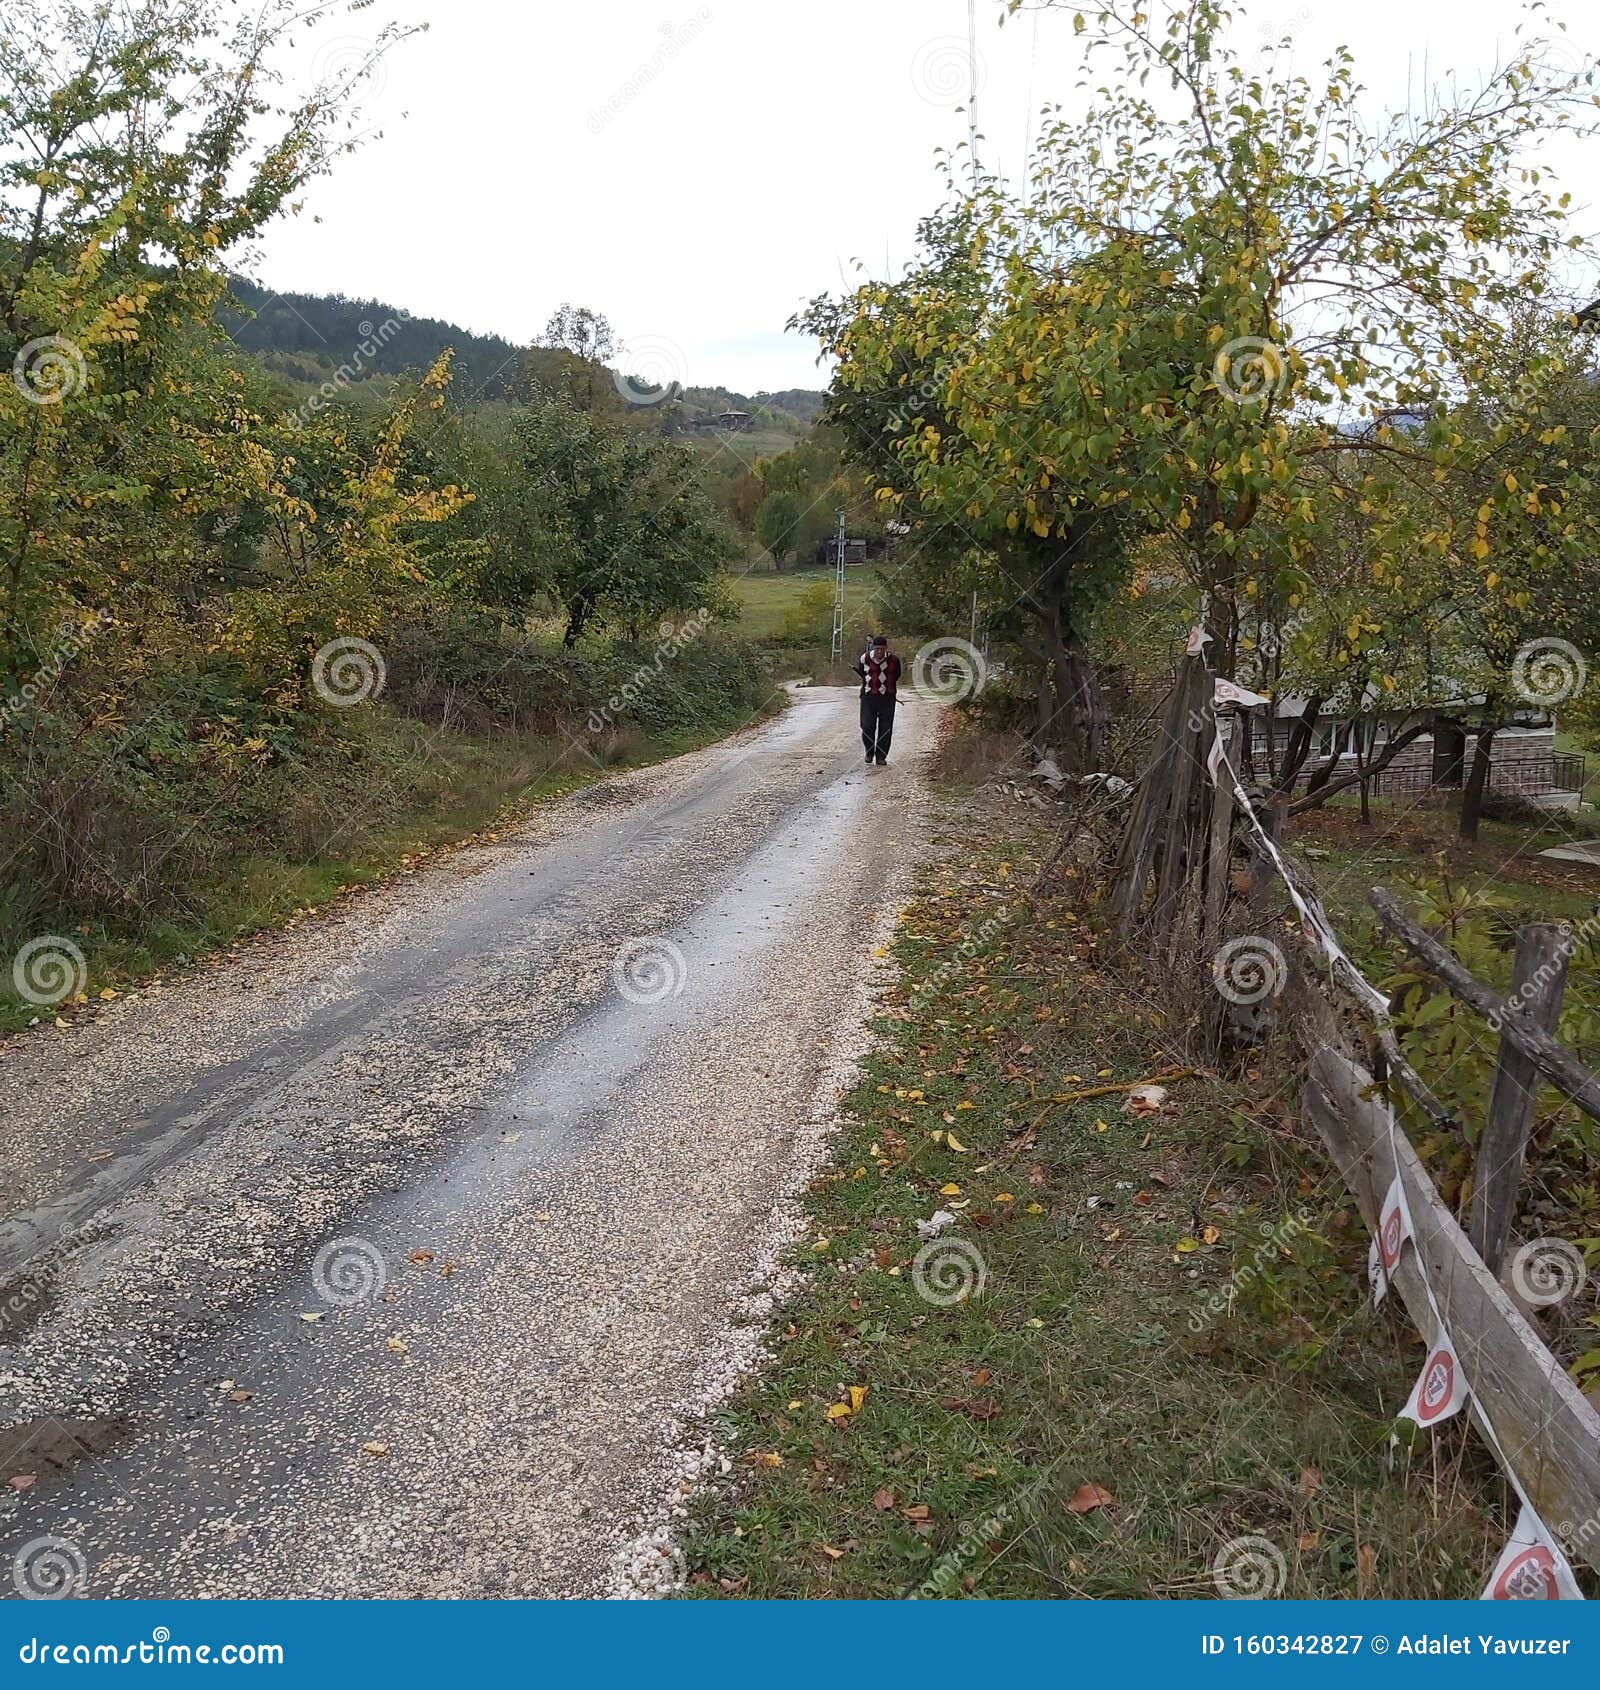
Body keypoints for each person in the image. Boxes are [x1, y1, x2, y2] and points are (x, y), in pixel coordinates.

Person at [854, 633, 900, 766]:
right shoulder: (865, 658)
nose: (880, 651)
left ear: (886, 648)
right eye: (877, 648)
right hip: (868, 697)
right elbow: (863, 674)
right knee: (867, 726)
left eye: (882, 649)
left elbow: (897, 674)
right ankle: (869, 751)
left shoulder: (894, 660)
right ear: (873, 648)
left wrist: (886, 687)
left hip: (887, 698)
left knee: (886, 728)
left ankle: (881, 756)